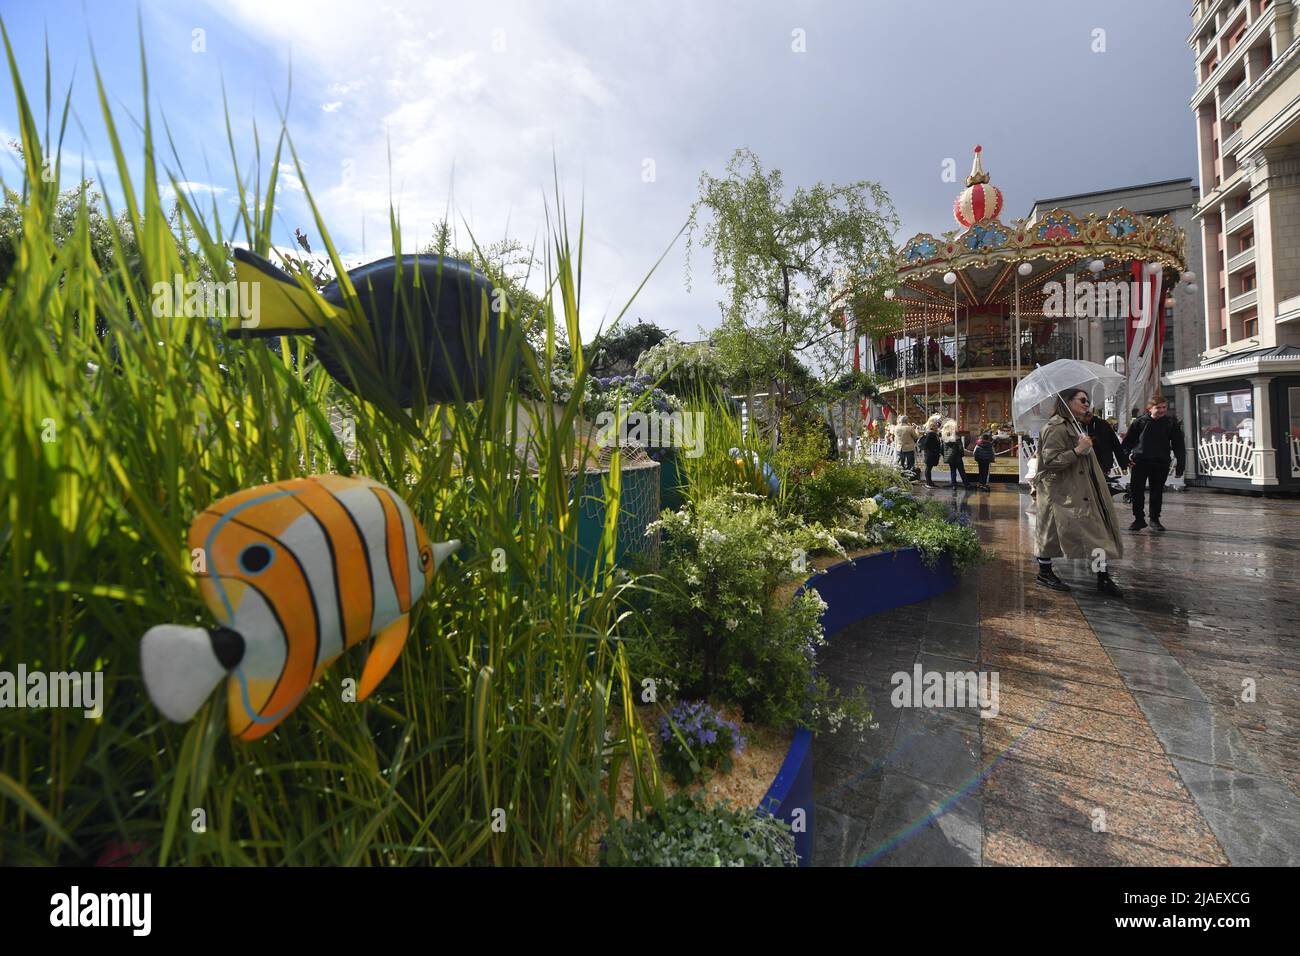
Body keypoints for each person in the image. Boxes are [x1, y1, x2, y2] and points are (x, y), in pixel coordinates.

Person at [1032, 389, 1125, 596]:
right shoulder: (1055, 427)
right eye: (1082, 400)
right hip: (1062, 492)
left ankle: (1103, 576)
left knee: (1097, 533)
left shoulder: (1076, 424)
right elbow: (1050, 461)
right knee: (1050, 533)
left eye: (1088, 401)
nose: (1087, 405)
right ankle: (1044, 572)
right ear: (1067, 402)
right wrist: (1077, 450)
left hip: (1083, 489)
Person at [1120, 394, 1186, 532]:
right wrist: (1125, 459)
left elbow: (1179, 444)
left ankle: (1155, 519)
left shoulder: (1170, 423)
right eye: (1158, 407)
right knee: (1136, 491)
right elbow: (1127, 443)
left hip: (1161, 462)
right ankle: (1138, 519)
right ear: (1149, 408)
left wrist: (1181, 465)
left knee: (1157, 492)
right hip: (1140, 462)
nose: (1162, 410)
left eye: (1164, 407)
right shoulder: (1139, 422)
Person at [941, 419, 974, 489]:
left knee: (953, 471)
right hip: (957, 457)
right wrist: (961, 454)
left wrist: (945, 455)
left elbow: (942, 449)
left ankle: (954, 485)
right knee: (961, 471)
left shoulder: (945, 438)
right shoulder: (957, 438)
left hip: (950, 457)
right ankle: (967, 485)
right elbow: (960, 449)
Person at [918, 416, 943, 487]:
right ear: (932, 427)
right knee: (928, 468)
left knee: (929, 468)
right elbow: (926, 444)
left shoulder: (934, 433)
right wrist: (932, 450)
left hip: (932, 453)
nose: (937, 427)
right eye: (935, 426)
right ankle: (928, 483)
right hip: (930, 454)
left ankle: (930, 482)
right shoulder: (930, 434)